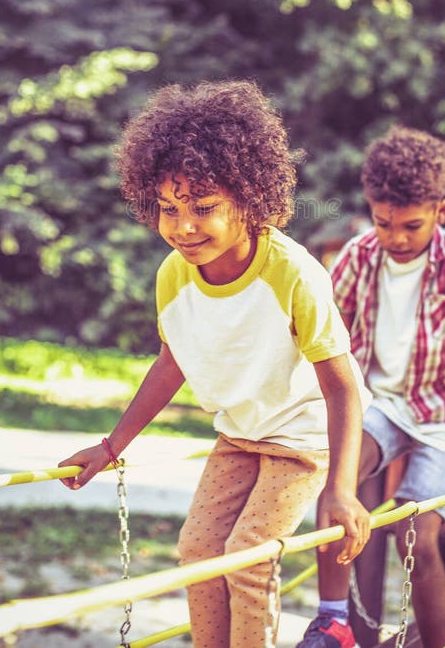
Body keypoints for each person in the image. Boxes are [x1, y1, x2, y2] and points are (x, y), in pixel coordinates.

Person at [59, 79, 371, 648]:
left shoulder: (293, 274)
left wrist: (342, 490)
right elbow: (171, 361)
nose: (183, 227)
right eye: (168, 208)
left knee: (246, 557)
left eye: (204, 208)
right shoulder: (174, 275)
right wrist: (112, 446)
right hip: (239, 434)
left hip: (302, 442)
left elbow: (343, 388)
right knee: (199, 553)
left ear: (249, 200)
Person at [297, 125, 445, 648]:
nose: (397, 238)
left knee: (416, 536)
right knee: (338, 482)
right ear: (370, 210)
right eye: (384, 224)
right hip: (384, 406)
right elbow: (324, 341)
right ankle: (333, 620)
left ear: (440, 213)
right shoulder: (359, 258)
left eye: (411, 225)